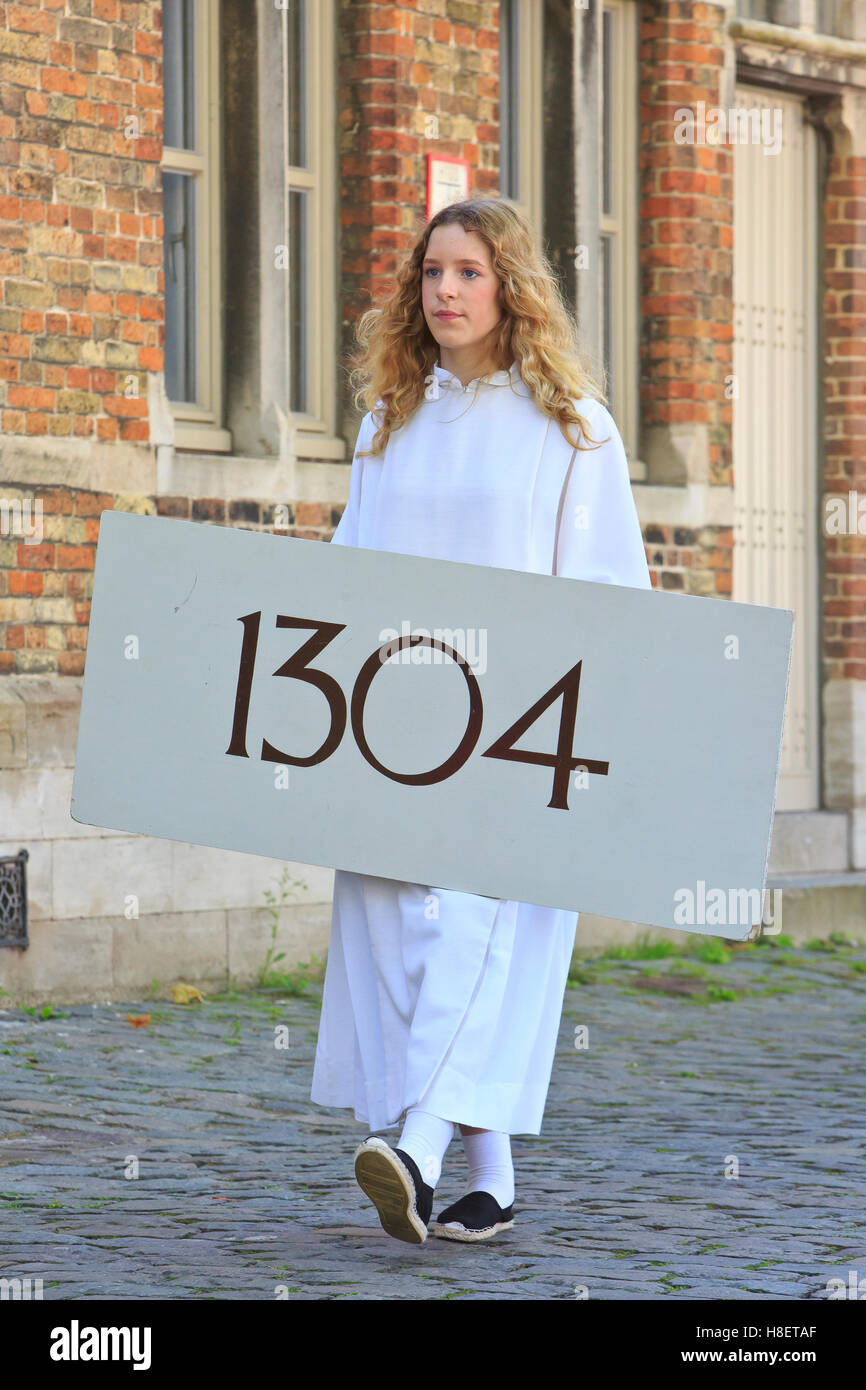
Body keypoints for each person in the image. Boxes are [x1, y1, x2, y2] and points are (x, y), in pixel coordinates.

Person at [309, 197, 652, 1244]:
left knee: (478, 927)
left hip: (512, 733)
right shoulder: (387, 423)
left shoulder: (570, 427)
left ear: (510, 286)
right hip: (389, 722)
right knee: (399, 933)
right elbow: (344, 573)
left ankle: (413, 1144)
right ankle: (487, 1178)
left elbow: (606, 589)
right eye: (430, 273)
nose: (445, 291)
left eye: (467, 271)